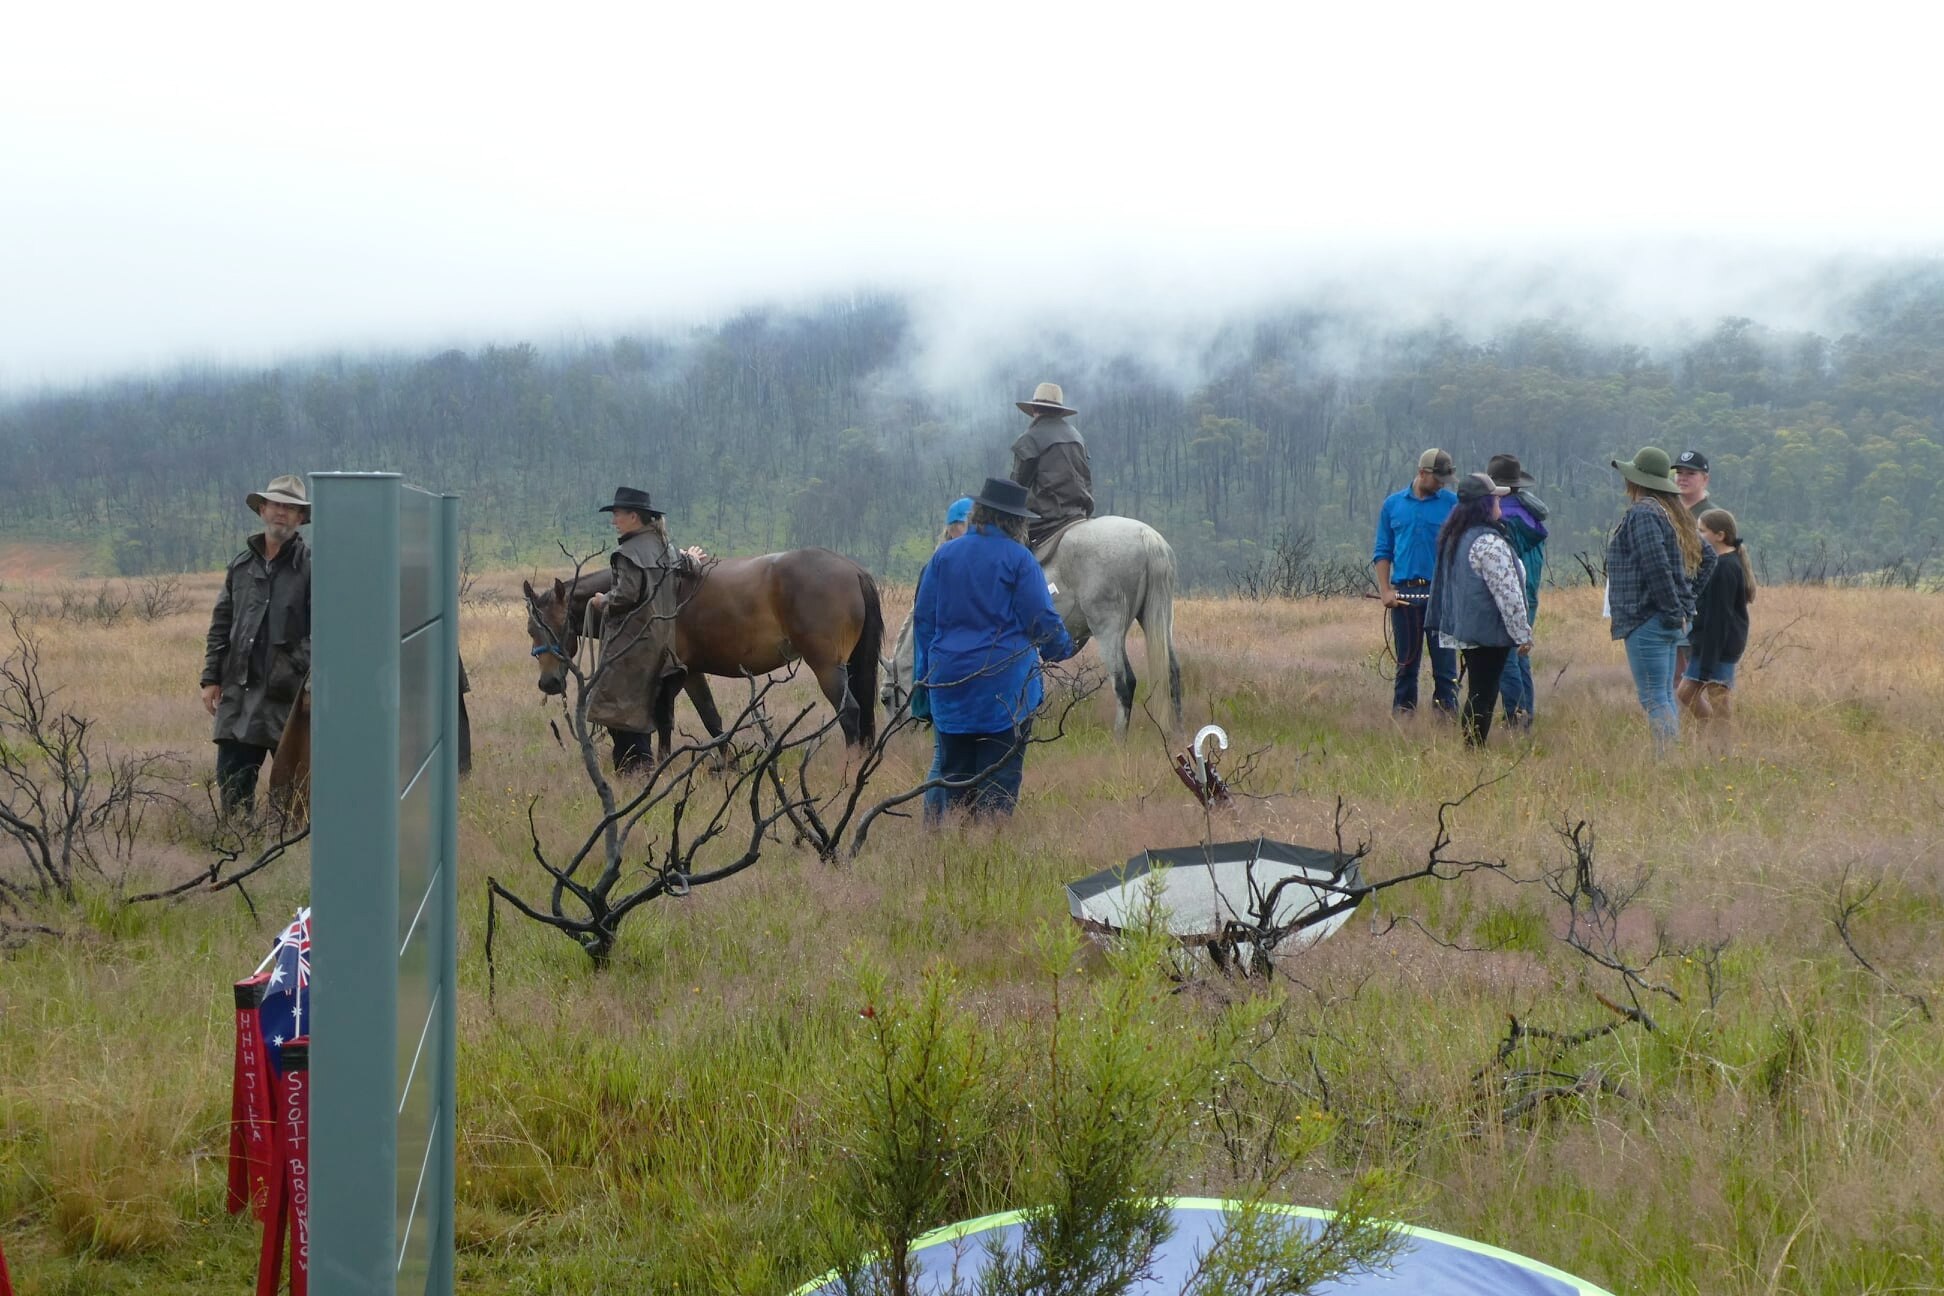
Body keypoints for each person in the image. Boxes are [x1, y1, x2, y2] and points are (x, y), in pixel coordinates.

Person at [913, 477, 1077, 819]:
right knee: (998, 785)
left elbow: (924, 623)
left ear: (979, 514)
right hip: (1005, 691)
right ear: (1016, 520)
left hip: (949, 685)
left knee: (954, 777)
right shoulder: (1019, 560)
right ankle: (988, 847)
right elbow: (1041, 619)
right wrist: (1062, 647)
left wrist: (924, 683)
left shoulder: (943, 557)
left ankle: (951, 854)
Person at [201, 474, 312, 816]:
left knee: (296, 800)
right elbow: (221, 623)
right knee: (233, 791)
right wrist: (210, 678)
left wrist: (298, 669)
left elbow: (328, 631)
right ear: (262, 510)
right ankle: (238, 851)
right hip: (239, 693)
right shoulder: (241, 566)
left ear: (301, 518)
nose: (282, 512)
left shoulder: (313, 568)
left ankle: (287, 854)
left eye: (291, 508)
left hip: (288, 698)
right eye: (276, 504)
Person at [585, 487, 704, 772]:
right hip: (660, 643)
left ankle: (637, 771)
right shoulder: (666, 548)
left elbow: (624, 597)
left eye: (617, 514)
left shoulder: (627, 553)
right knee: (643, 704)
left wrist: (602, 601)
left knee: (623, 711)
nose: (614, 520)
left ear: (633, 517)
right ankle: (636, 768)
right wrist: (693, 556)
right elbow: (692, 567)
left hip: (629, 645)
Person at [1606, 448, 1716, 751]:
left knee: (1654, 697)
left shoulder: (1644, 513)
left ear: (1636, 480)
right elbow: (1708, 556)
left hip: (1647, 618)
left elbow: (1656, 567)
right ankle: (1671, 756)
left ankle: (1665, 760)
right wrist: (1686, 601)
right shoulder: (1670, 512)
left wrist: (1674, 606)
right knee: (1664, 694)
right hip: (1667, 619)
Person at [1426, 474, 1532, 747]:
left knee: (1479, 690)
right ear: (1484, 504)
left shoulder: (1455, 536)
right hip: (1488, 632)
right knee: (1483, 693)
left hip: (1465, 629)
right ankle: (1473, 749)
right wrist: (1522, 633)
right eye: (1496, 497)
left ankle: (1473, 747)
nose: (1500, 501)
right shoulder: (1489, 543)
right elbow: (1508, 594)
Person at [1372, 449, 1459, 716]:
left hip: (1441, 595)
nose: (1442, 484)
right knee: (1406, 665)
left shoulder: (1452, 504)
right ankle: (1403, 719)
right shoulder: (1393, 505)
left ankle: (1446, 717)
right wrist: (1386, 590)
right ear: (1422, 473)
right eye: (1438, 478)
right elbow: (1383, 551)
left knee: (1445, 667)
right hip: (1405, 596)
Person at [905, 496, 976, 818]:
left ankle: (957, 823)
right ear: (950, 529)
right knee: (943, 756)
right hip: (944, 671)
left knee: (957, 755)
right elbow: (925, 627)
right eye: (963, 523)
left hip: (954, 670)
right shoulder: (937, 566)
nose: (968, 529)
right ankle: (934, 825)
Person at [1487, 454, 1549, 730]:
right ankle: (1527, 714)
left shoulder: (1505, 513)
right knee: (1521, 651)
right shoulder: (1530, 511)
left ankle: (1515, 716)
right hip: (1530, 590)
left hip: (1512, 592)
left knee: (1505, 654)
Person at [1680, 509, 1755, 723]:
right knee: (1687, 693)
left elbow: (1719, 619)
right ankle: (1712, 738)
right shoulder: (1721, 562)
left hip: (1718, 648)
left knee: (1718, 702)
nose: (1697, 535)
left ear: (1720, 535)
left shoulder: (1725, 568)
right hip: (1710, 645)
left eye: (1702, 531)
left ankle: (1721, 746)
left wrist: (1707, 664)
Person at [1009, 382, 1094, 550]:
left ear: (1034, 410)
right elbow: (1087, 480)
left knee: (1009, 553)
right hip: (1079, 513)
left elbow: (1017, 488)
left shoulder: (1029, 439)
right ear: (1059, 411)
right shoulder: (1077, 437)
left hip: (1044, 519)